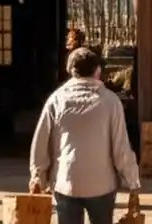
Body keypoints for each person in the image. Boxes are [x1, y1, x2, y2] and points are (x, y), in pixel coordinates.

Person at [29, 47, 141, 224]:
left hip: (66, 181)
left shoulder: (56, 100)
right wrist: (132, 180)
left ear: (69, 70)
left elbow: (41, 142)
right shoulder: (111, 101)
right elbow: (120, 147)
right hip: (102, 184)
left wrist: (38, 176)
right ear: (98, 71)